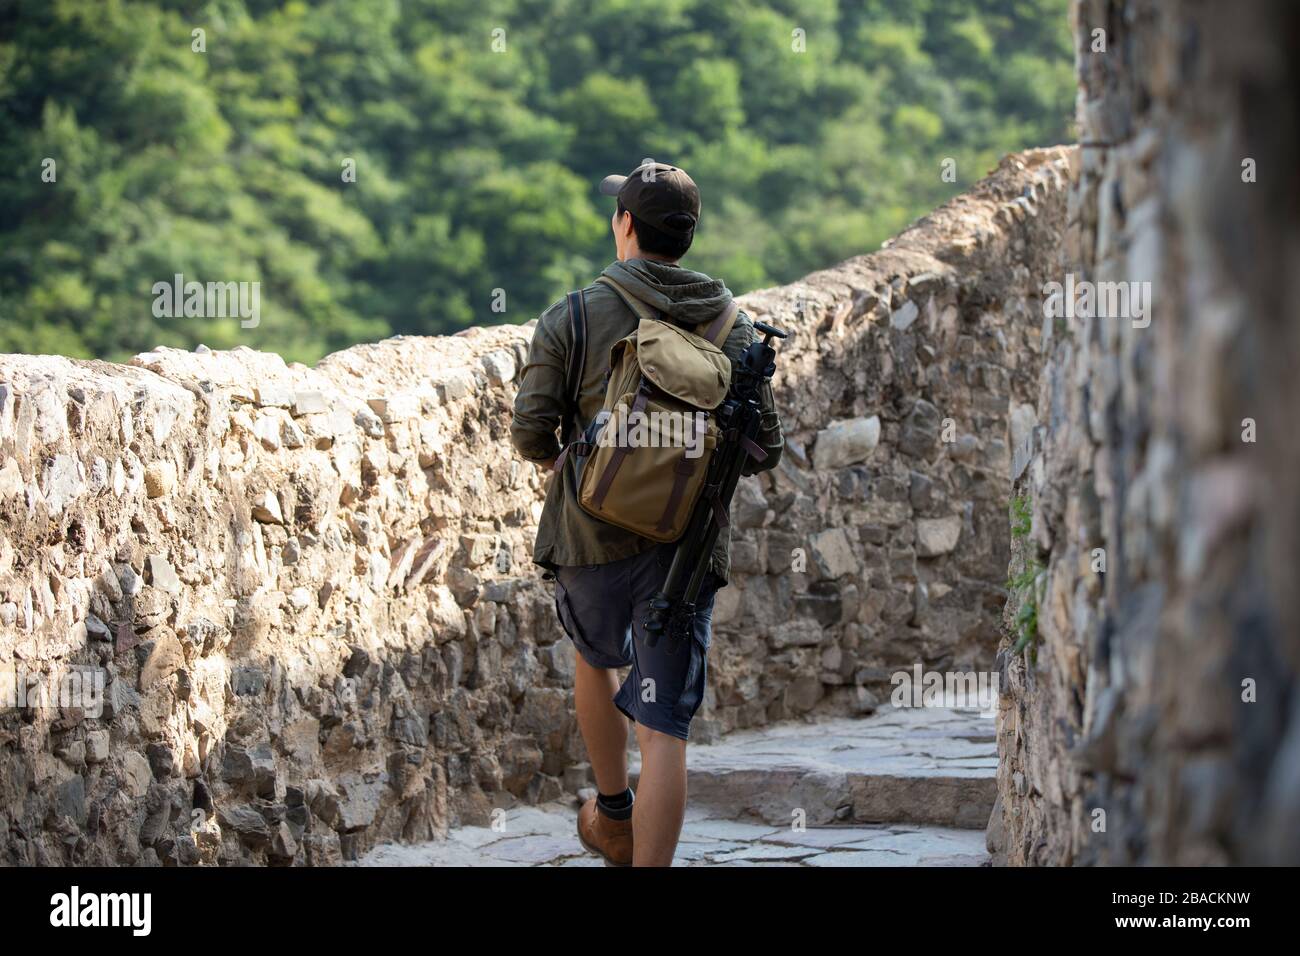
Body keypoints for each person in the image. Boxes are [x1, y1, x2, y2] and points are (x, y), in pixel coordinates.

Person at [510, 162, 784, 866]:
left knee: (595, 658)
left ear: (625, 225)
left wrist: (571, 459)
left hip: (590, 544)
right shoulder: (735, 326)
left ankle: (611, 812)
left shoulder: (575, 314)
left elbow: (530, 429)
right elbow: (765, 450)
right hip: (684, 558)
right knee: (664, 729)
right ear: (688, 236)